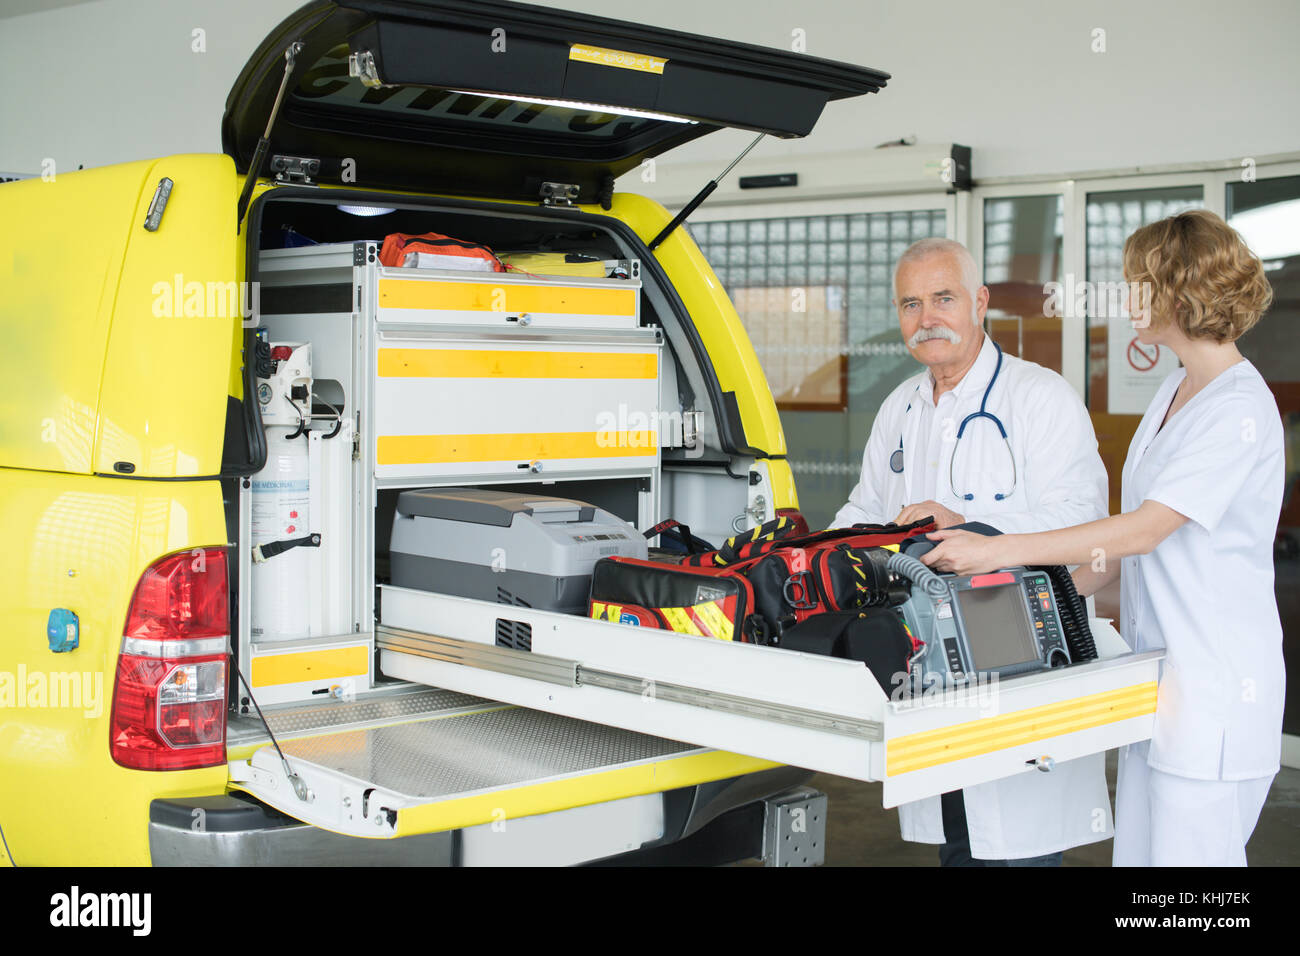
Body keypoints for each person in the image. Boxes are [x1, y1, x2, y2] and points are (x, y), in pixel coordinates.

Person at [920, 210, 1282, 867]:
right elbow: (1130, 554)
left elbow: (1146, 530)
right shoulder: (1176, 388)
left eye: (1133, 282)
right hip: (1161, 687)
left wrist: (997, 547)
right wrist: (1029, 585)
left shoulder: (1237, 407)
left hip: (1215, 692)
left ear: (1177, 289)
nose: (1123, 297)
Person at [833, 237, 1112, 865]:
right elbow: (864, 510)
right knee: (958, 837)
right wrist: (822, 550)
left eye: (943, 298)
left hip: (1019, 651)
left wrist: (973, 527)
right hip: (927, 663)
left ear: (980, 302)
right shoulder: (899, 407)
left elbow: (1088, 525)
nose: (927, 317)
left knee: (1014, 846)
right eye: (910, 303)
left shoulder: (1039, 398)